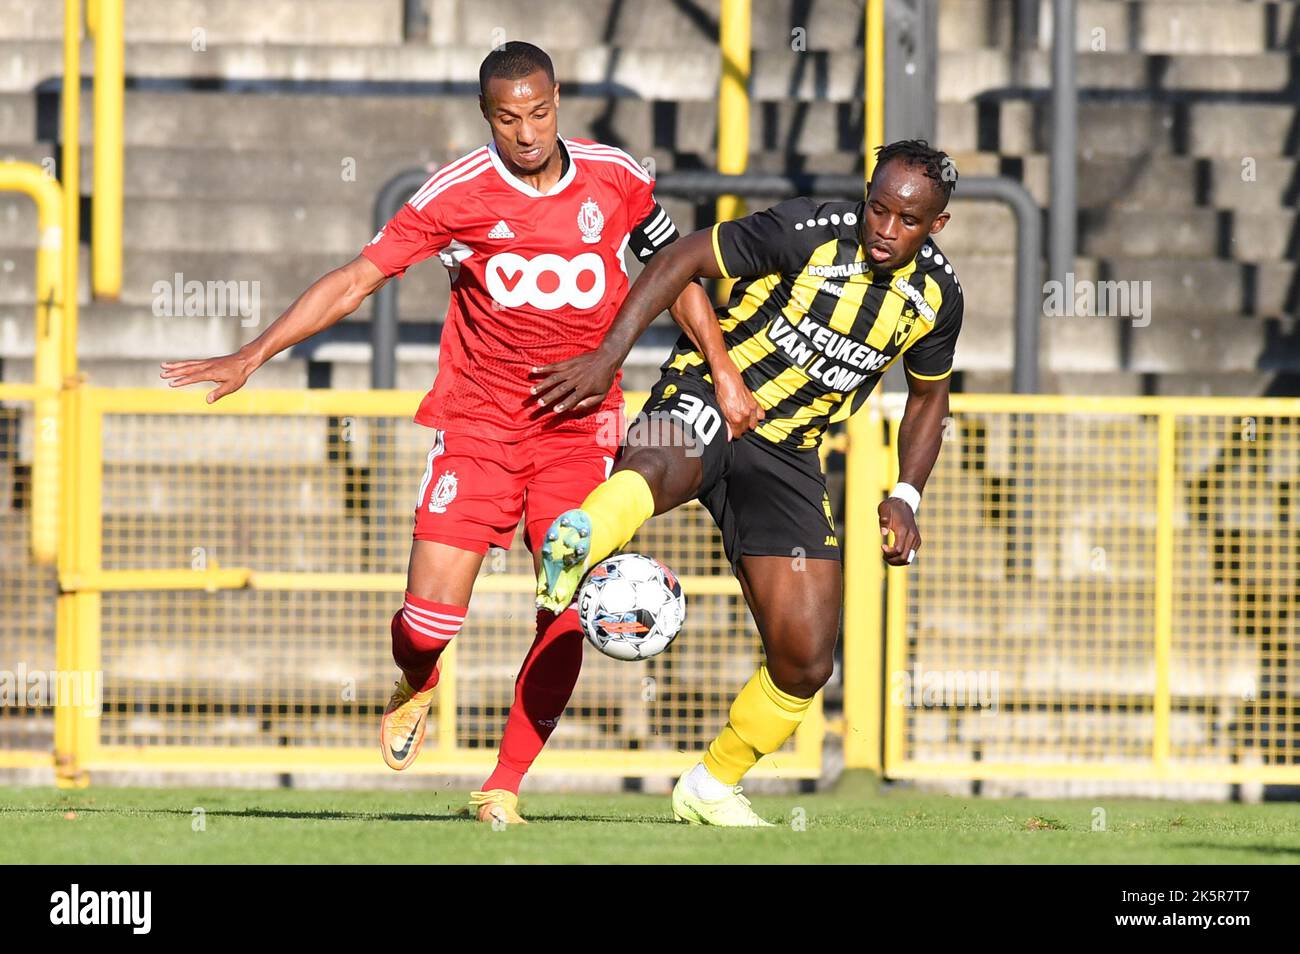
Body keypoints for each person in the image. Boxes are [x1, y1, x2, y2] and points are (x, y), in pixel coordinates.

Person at [159, 41, 740, 825]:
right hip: (478, 427)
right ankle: (419, 682)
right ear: (486, 115)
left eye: (539, 112)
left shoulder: (618, 176)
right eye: (509, 118)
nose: (527, 132)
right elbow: (359, 278)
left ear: (557, 99)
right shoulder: (456, 195)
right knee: (425, 625)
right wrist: (253, 353)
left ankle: (503, 785)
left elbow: (673, 268)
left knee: (564, 605)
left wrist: (725, 374)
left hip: (578, 431)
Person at [532, 140, 963, 825]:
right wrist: (607, 355)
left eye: (905, 220)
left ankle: (711, 785)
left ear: (935, 225)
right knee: (659, 464)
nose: (884, 229)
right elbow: (682, 259)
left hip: (788, 452)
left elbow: (929, 398)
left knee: (806, 659)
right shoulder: (806, 231)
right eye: (876, 208)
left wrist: (907, 493)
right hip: (713, 392)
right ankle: (579, 544)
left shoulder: (937, 299)